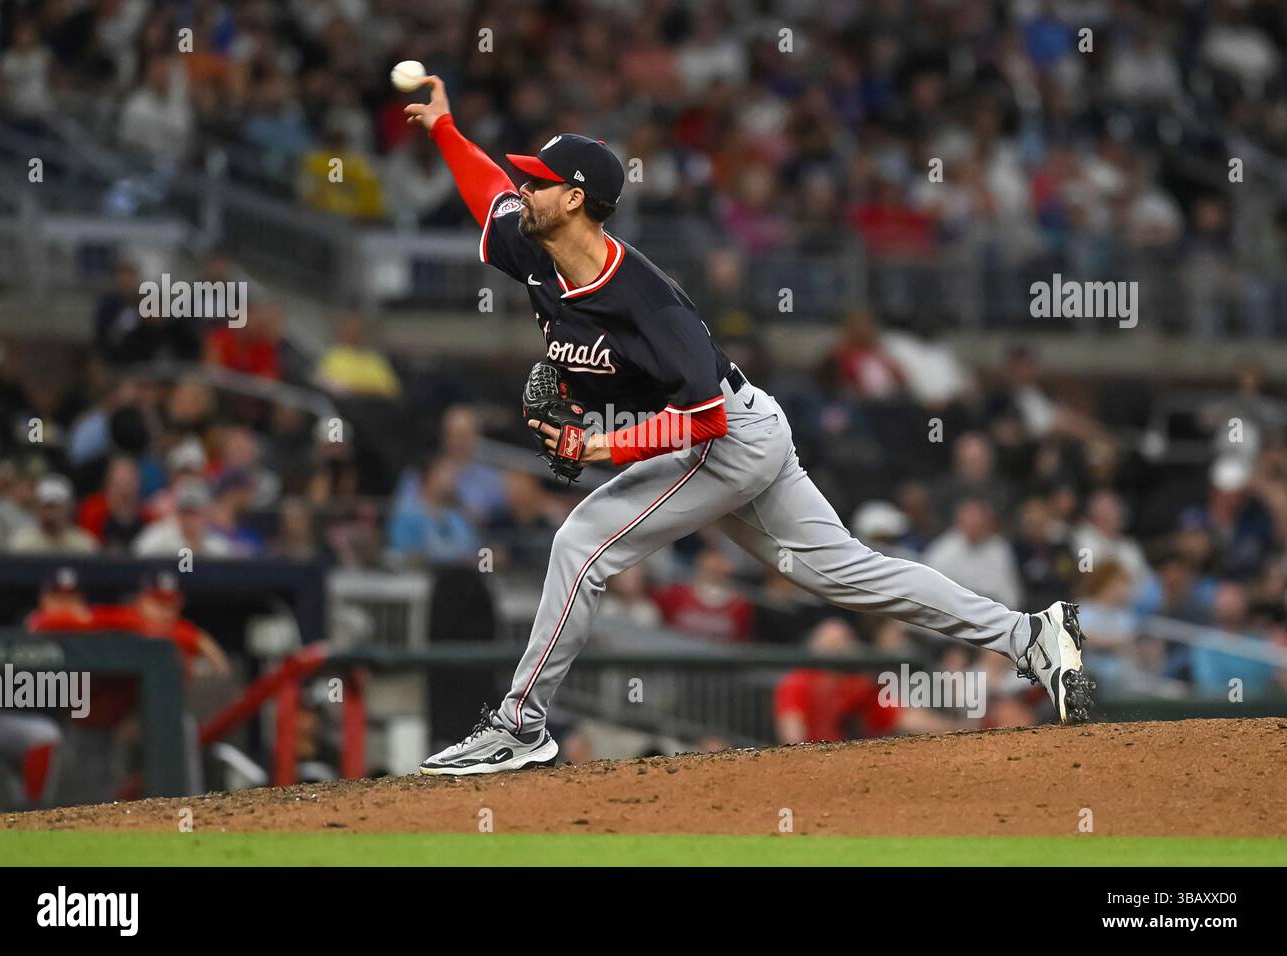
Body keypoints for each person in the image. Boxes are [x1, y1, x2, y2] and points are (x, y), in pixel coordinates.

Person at [404, 76, 1090, 776]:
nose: (524, 189)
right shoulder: (533, 244)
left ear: (576, 200)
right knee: (853, 574)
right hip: (744, 432)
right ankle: (1031, 635)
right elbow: (486, 191)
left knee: (581, 544)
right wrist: (445, 130)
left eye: (539, 182)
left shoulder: (646, 301)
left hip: (727, 436)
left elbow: (701, 421)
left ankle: (520, 725)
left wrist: (600, 443)